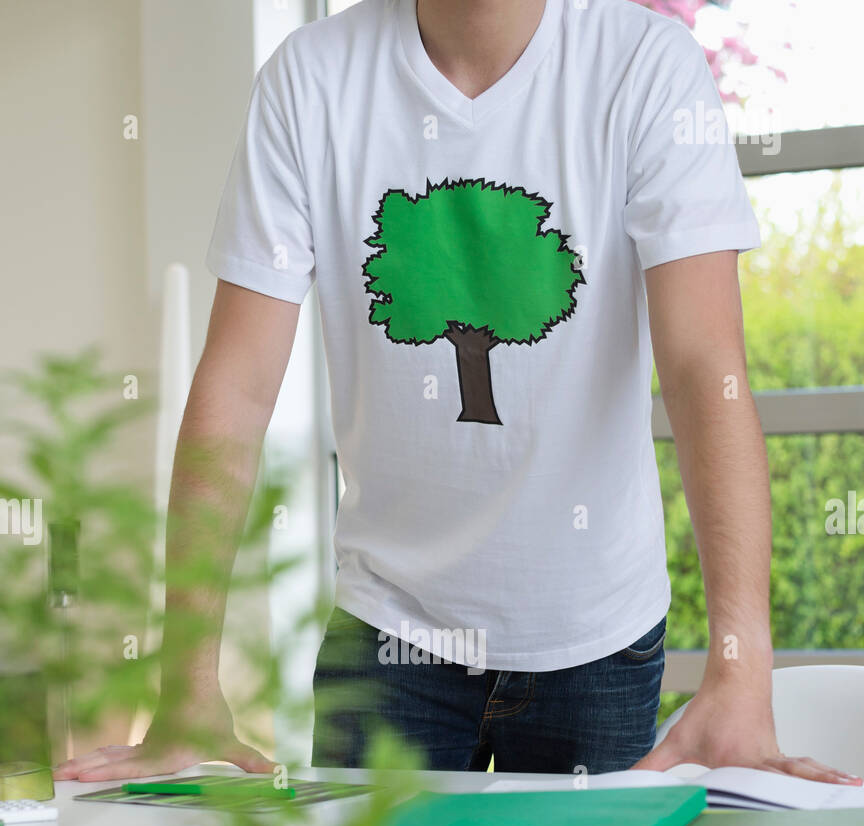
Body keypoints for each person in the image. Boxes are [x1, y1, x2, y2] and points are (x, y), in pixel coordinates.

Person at [56, 0, 859, 784]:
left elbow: (703, 369)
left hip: (598, 640)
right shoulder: (310, 78)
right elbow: (236, 389)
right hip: (389, 636)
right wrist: (187, 687)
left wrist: (742, 671)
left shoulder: (646, 66)